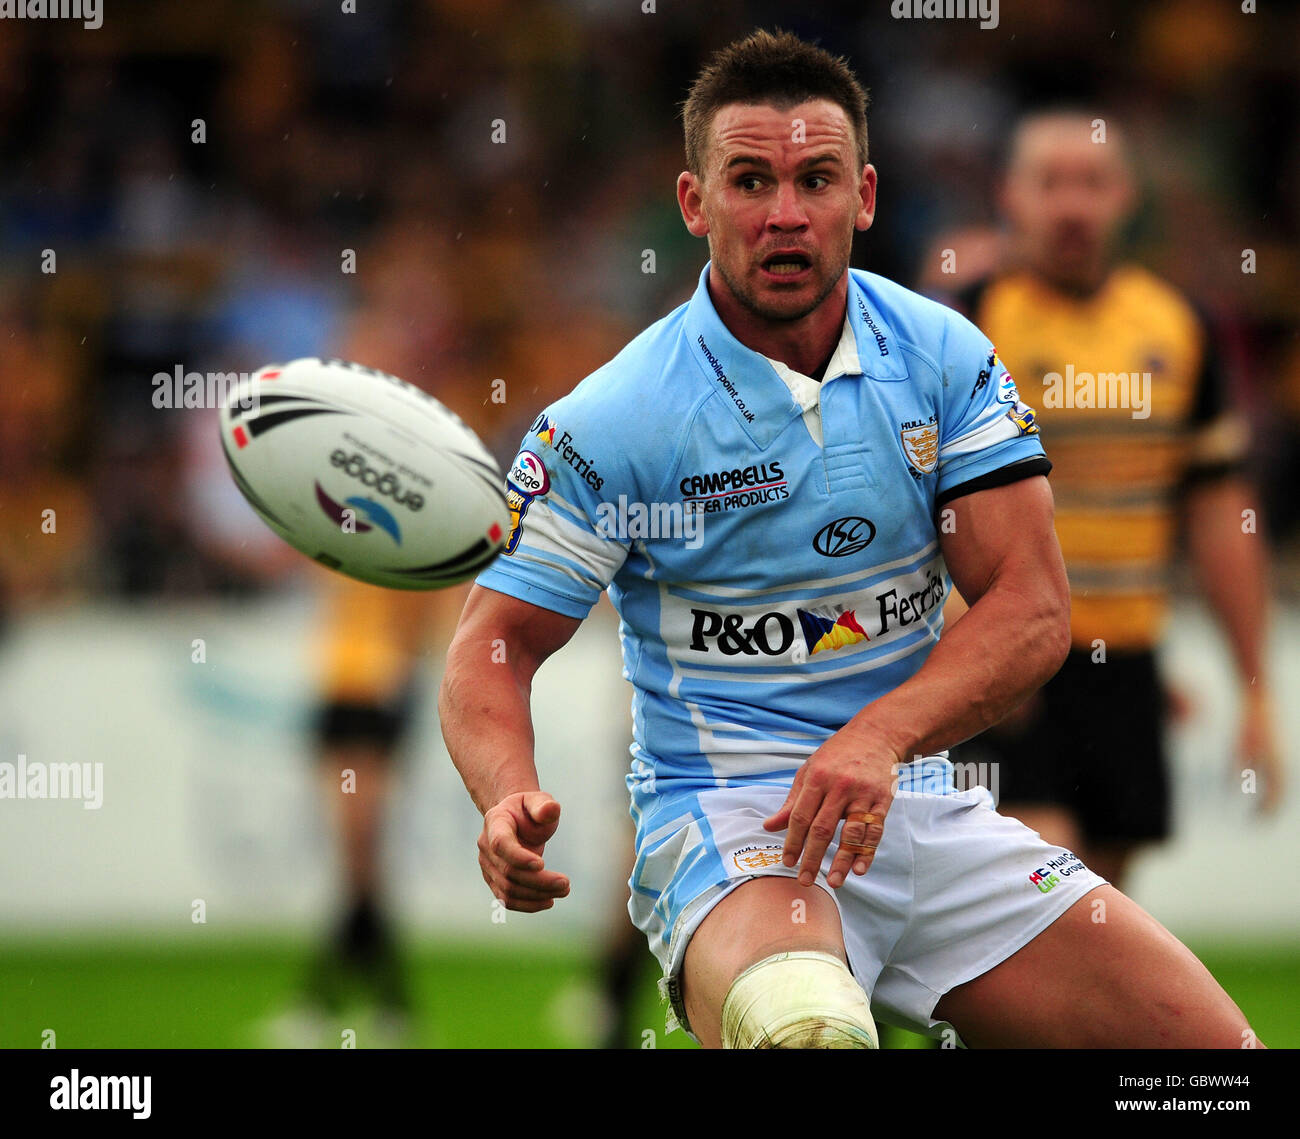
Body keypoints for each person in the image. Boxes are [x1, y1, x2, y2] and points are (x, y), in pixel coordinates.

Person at [438, 30, 1261, 1049]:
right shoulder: (610, 418)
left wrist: (878, 737)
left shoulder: (946, 355)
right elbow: (495, 640)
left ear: (862, 196)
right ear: (694, 204)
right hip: (733, 828)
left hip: (920, 807)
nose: (785, 214)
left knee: (1215, 1064)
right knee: (809, 1034)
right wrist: (504, 789)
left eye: (814, 179)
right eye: (749, 181)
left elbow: (1031, 605)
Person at [936, 110, 1281, 890]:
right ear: (1009, 196)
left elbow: (1222, 514)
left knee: (1098, 900)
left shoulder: (1180, 326)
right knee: (1035, 878)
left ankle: (928, 1012)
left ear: (1126, 196)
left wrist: (1255, 688)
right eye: (1050, 183)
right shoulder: (962, 323)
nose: (1071, 206)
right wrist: (955, 621)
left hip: (1127, 661)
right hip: (1008, 652)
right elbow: (911, 493)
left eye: (1091, 183)